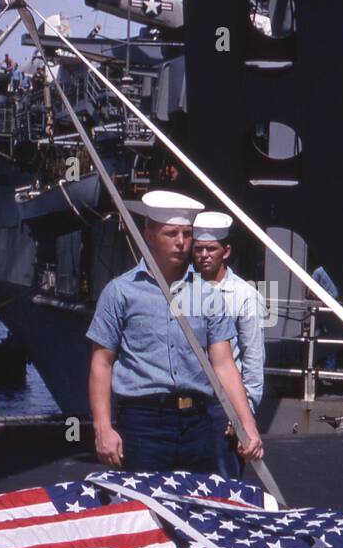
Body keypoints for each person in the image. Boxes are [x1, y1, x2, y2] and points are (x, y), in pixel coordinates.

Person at [87, 190, 263, 474]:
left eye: (187, 233)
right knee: (145, 513)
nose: (181, 242)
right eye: (171, 233)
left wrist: (247, 422)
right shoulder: (120, 292)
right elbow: (101, 362)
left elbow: (224, 364)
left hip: (200, 423)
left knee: (205, 509)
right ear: (149, 234)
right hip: (143, 423)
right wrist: (103, 428)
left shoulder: (208, 295)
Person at [192, 211, 266, 479]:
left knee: (225, 487)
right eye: (198, 248)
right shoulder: (180, 291)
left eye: (211, 249)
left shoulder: (246, 297)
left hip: (224, 408)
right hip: (189, 408)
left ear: (226, 251)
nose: (204, 255)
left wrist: (243, 415)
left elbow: (252, 360)